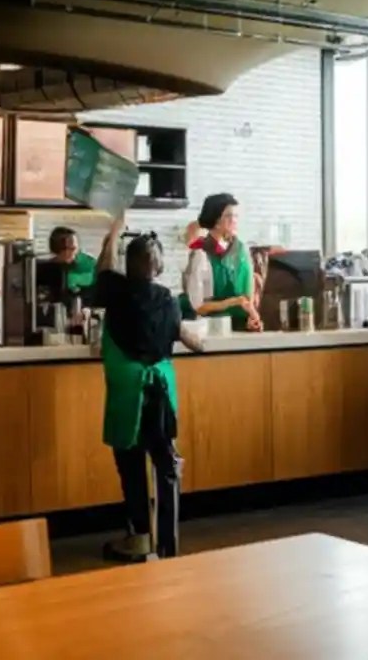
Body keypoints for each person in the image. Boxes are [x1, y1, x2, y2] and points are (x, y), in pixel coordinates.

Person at [94, 212, 204, 561]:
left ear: (129, 265)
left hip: (128, 396)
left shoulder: (115, 290)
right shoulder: (168, 301)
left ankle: (139, 536)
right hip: (159, 395)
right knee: (166, 464)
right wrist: (196, 339)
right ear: (157, 268)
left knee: (130, 464)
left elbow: (103, 267)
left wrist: (114, 233)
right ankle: (168, 544)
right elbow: (189, 339)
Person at [181, 193, 262, 331]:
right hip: (211, 328)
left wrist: (253, 317)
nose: (234, 220)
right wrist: (230, 302)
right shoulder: (201, 255)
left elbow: (248, 298)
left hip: (242, 327)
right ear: (216, 221)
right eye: (229, 216)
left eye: (236, 216)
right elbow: (199, 307)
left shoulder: (242, 250)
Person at [49, 226, 97, 296]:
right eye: (73, 249)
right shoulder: (47, 270)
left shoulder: (89, 264)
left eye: (75, 249)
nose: (76, 252)